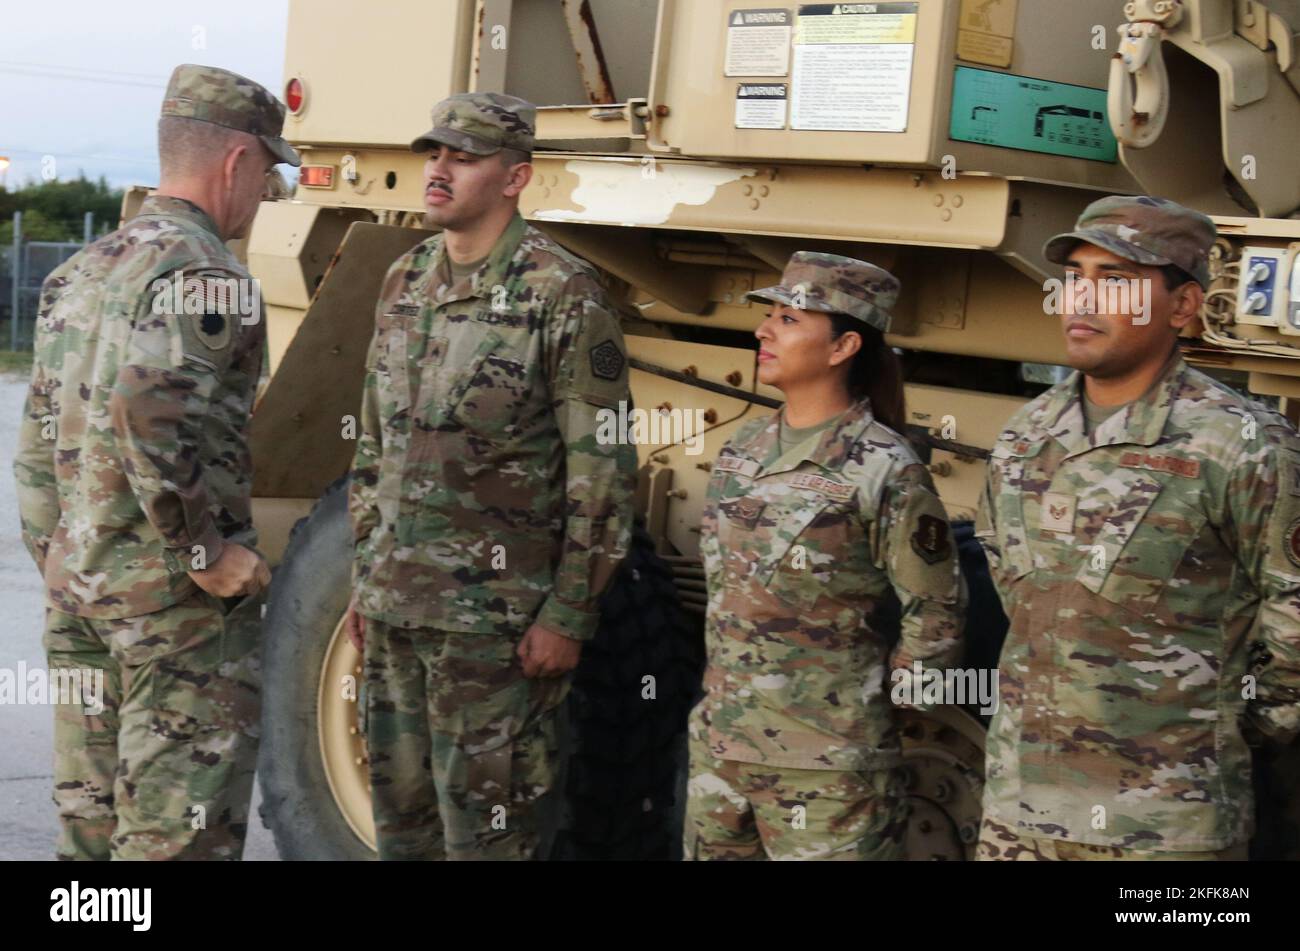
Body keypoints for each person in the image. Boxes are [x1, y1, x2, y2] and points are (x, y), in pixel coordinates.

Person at [13, 64, 299, 860]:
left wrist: (63, 559)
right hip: (174, 618)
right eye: (268, 171)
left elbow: (39, 444)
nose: (266, 195)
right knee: (177, 838)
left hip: (84, 596)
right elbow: (149, 410)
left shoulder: (82, 269)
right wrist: (204, 553)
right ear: (236, 162)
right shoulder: (209, 274)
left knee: (91, 837)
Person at [345, 93, 637, 860]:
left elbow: (601, 469)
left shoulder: (561, 293)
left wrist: (569, 612)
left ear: (515, 178)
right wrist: (365, 575)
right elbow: (375, 444)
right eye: (434, 153)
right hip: (396, 612)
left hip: (497, 631)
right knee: (402, 831)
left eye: (463, 157)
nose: (438, 170)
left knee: (492, 839)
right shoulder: (404, 279)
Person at [975, 195, 1300, 861]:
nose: (1083, 299)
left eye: (1117, 279)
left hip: (1168, 829)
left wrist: (1230, 734)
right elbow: (1017, 597)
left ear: (1182, 307)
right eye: (1077, 277)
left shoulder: (1241, 443)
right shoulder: (1025, 436)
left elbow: (1294, 617)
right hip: (1020, 817)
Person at [685, 252, 967, 860]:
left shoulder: (885, 466)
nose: (763, 330)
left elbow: (936, 608)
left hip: (827, 768)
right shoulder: (742, 448)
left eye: (788, 320)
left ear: (842, 348)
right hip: (723, 750)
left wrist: (873, 722)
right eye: (771, 315)